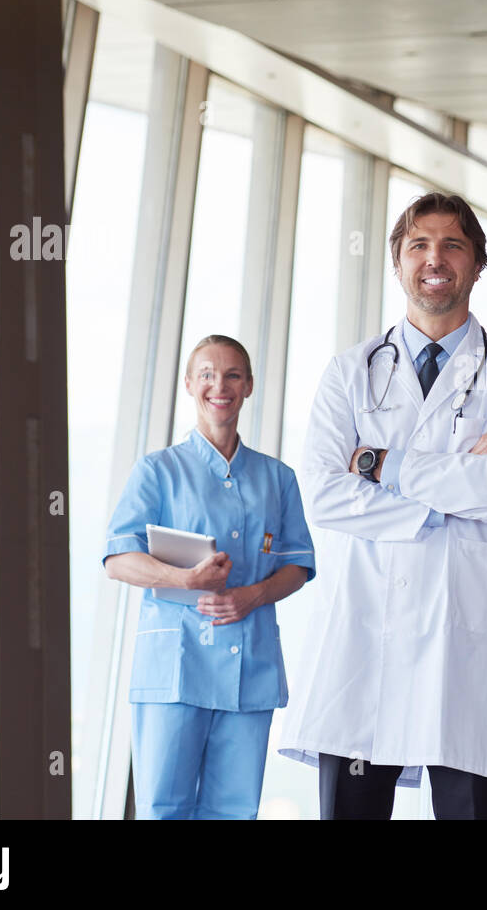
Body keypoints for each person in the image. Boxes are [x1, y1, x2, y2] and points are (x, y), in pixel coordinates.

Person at [278, 191, 487, 819]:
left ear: (479, 265)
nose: (435, 258)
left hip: (463, 633)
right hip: (363, 632)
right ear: (397, 261)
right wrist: (440, 503)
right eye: (419, 245)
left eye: (453, 244)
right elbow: (321, 491)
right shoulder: (349, 372)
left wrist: (379, 464)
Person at [103, 335, 315, 819]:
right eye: (207, 374)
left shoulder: (277, 478)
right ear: (189, 384)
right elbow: (117, 559)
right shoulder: (158, 471)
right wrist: (186, 580)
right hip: (175, 666)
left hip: (250, 667)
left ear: (249, 386)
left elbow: (299, 565)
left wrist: (254, 595)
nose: (219, 385)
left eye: (233, 375)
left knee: (235, 810)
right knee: (164, 808)